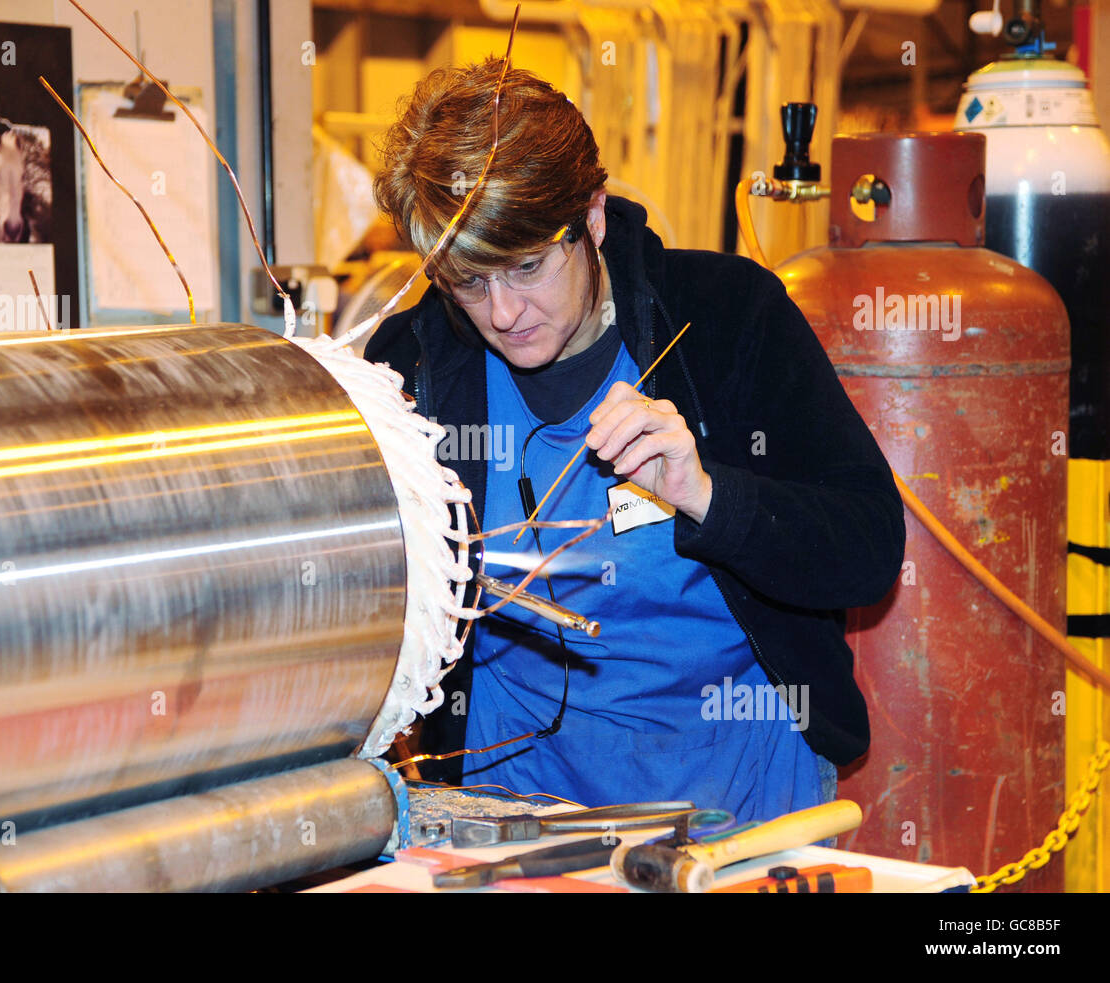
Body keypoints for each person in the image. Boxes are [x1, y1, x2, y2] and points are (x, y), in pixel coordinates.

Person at [365, 60, 905, 821]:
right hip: (511, 816)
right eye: (468, 280)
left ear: (591, 215)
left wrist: (710, 496)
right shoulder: (415, 361)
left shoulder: (725, 318)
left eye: (526, 267)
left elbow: (868, 547)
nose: (504, 311)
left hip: (732, 803)